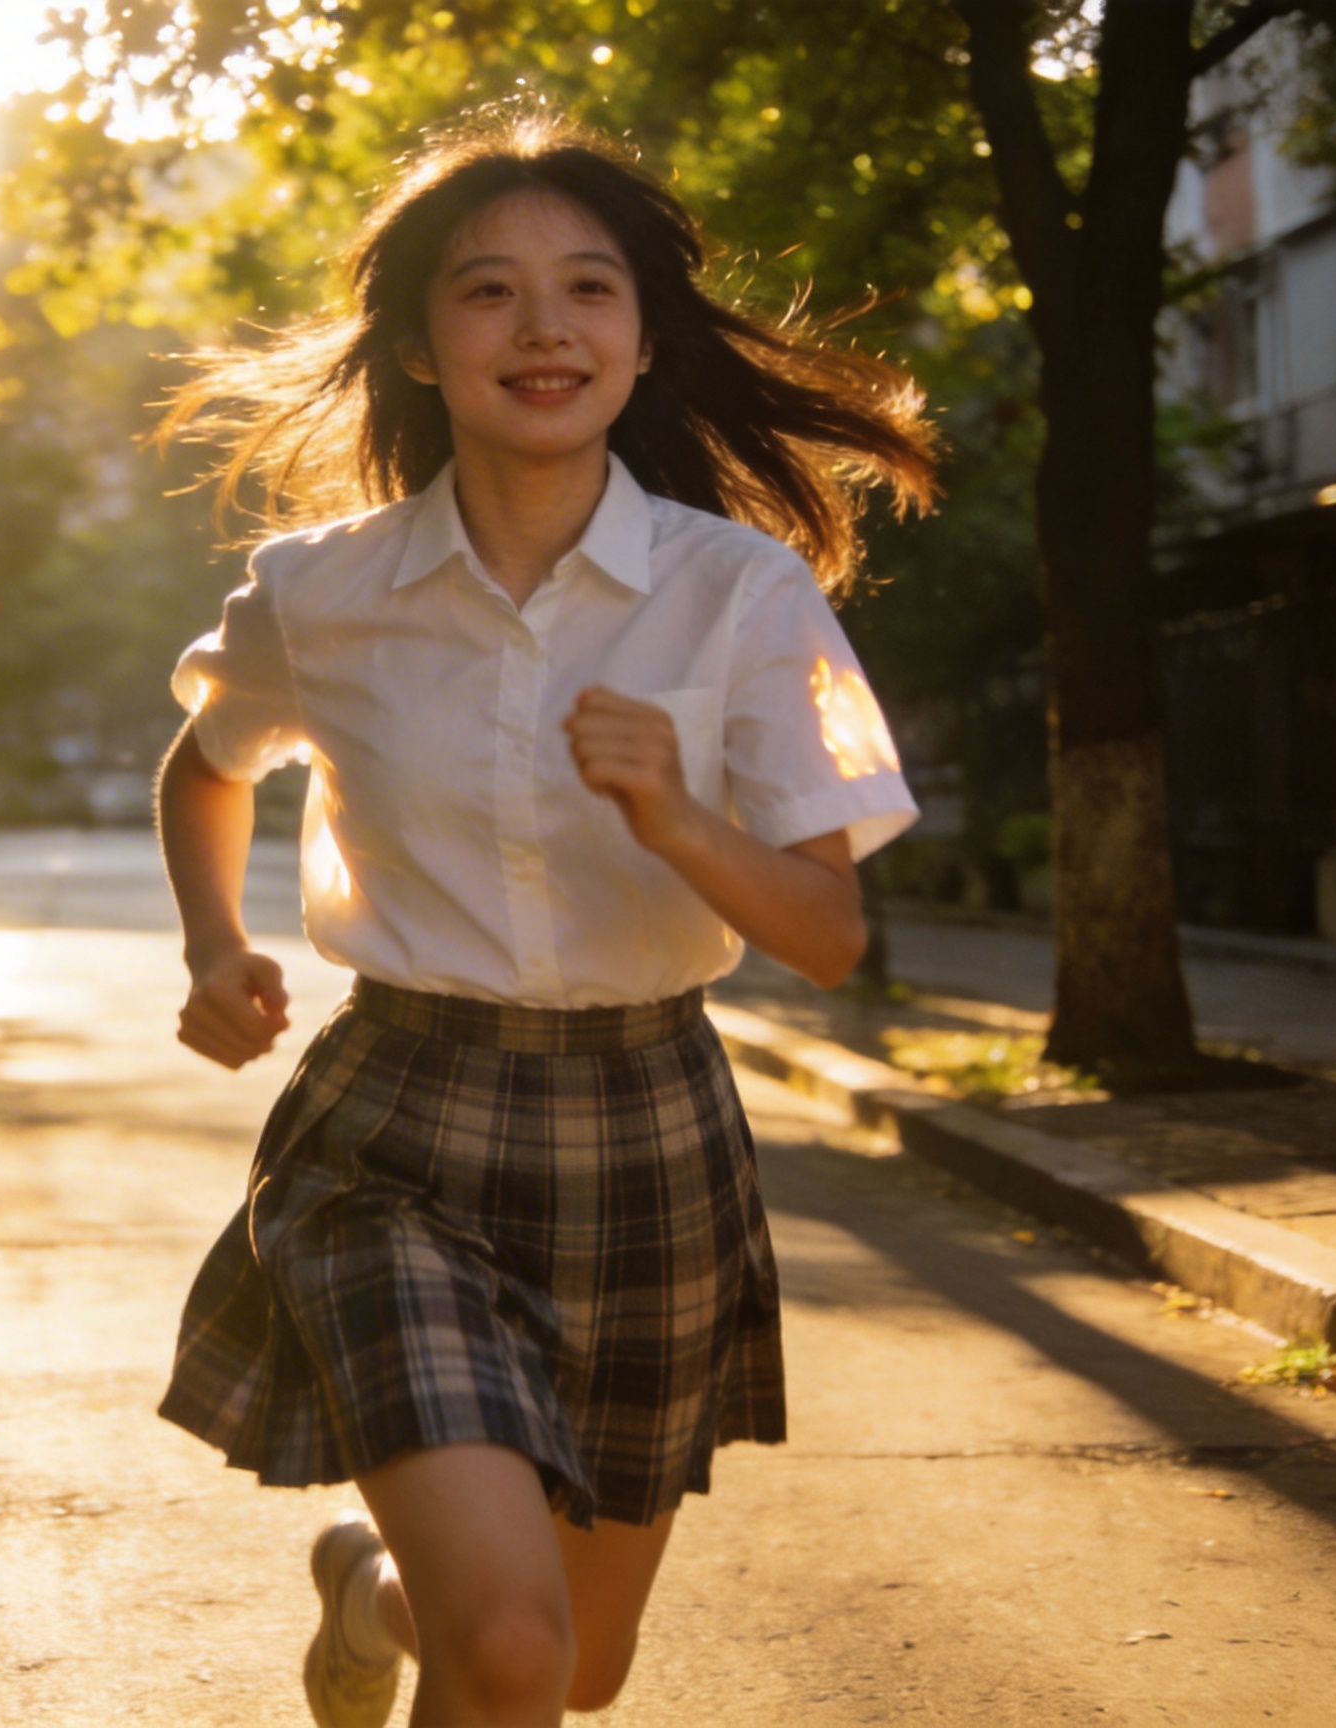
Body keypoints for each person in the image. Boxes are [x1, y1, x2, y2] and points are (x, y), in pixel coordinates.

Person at [151, 105, 937, 1728]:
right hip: (394, 1136)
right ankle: (427, 1602)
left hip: (650, 1133)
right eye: (487, 290)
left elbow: (830, 935)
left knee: (573, 1669)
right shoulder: (319, 591)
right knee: (509, 1652)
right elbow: (207, 764)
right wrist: (215, 946)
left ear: (641, 343)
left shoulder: (747, 595)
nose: (543, 327)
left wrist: (680, 818)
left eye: (588, 287)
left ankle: (369, 1591)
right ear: (421, 346)